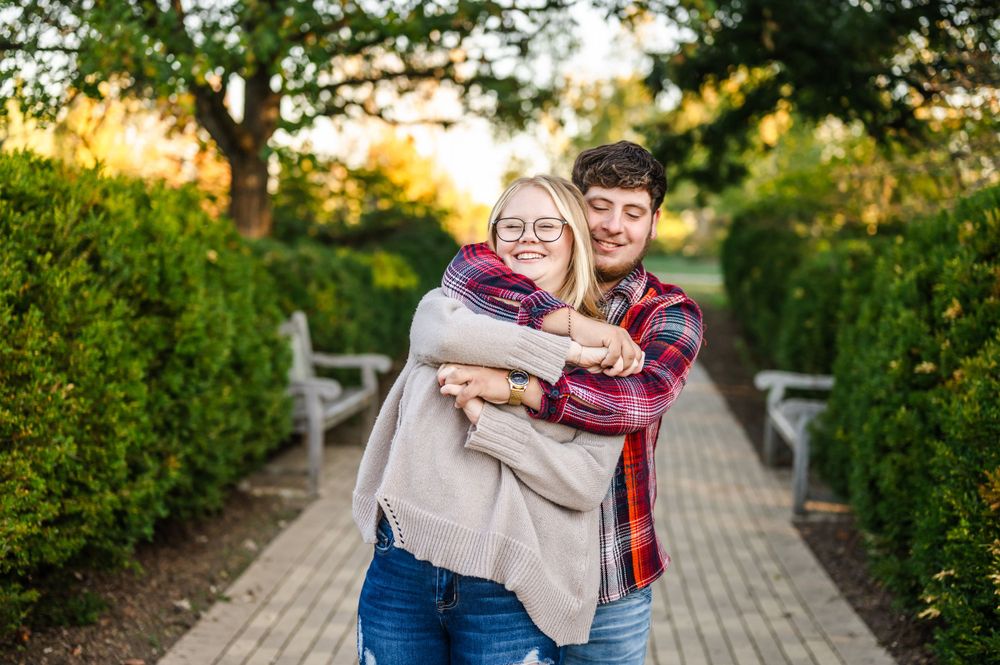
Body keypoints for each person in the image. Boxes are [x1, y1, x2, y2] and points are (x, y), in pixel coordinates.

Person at [353, 175, 642, 664]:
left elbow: (584, 482)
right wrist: (566, 349)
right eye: (512, 225)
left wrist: (488, 415)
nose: (528, 236)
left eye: (548, 226)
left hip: (510, 587)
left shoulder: (609, 359)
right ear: (493, 241)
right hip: (404, 567)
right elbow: (436, 336)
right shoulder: (445, 308)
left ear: (576, 240)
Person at [437, 141, 704, 664]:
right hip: (501, 568)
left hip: (609, 574)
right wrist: (571, 326)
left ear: (653, 224)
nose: (612, 225)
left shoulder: (667, 312)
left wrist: (517, 386)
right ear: (571, 209)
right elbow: (465, 268)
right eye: (598, 206)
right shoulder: (517, 275)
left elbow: (634, 401)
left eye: (633, 212)